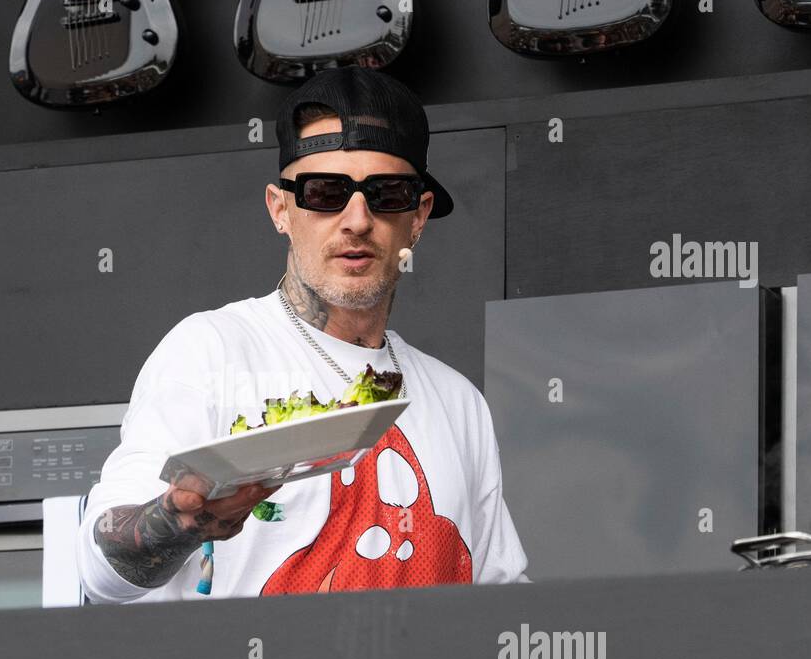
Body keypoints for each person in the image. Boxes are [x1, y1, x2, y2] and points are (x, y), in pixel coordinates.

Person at [77, 66, 530, 603]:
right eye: (325, 192)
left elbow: (502, 601)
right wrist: (183, 519)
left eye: (386, 194)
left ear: (418, 216)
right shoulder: (212, 351)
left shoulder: (457, 403)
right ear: (281, 209)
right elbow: (102, 574)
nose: (357, 220)